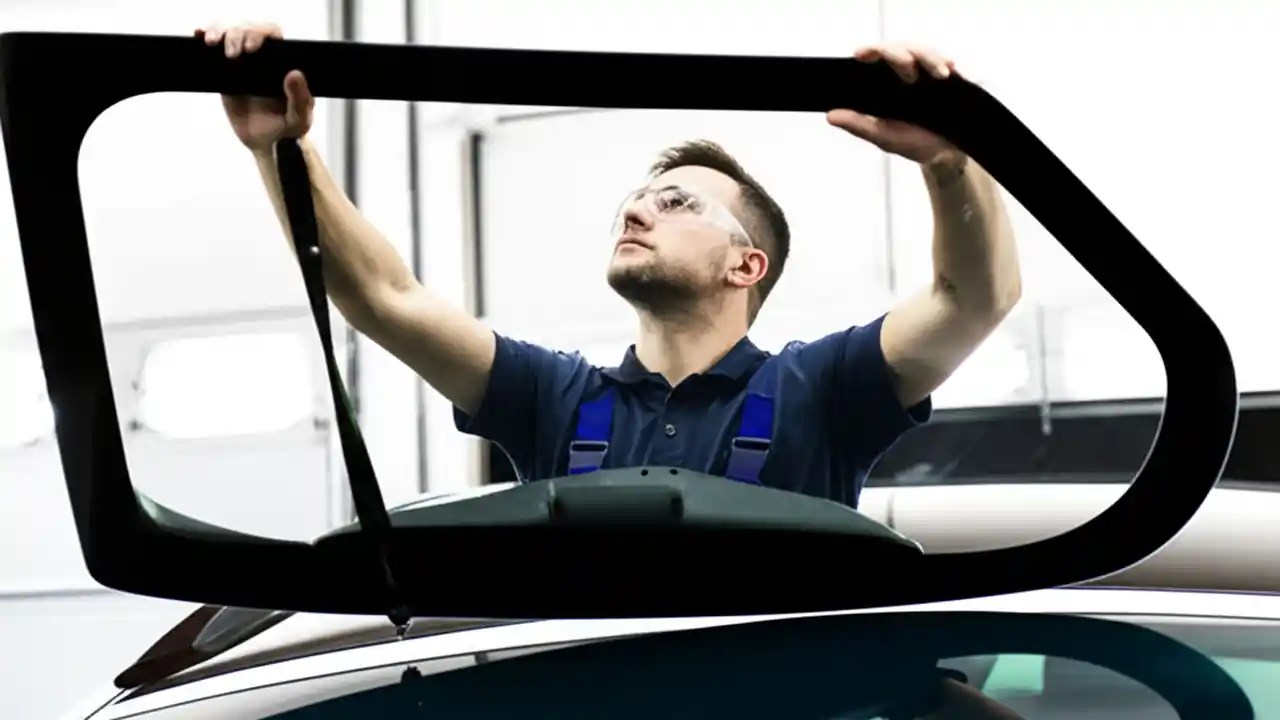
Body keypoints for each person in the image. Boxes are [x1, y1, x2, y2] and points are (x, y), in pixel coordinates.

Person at [200, 23, 1020, 511]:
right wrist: (283, 149)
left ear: (747, 264)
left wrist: (951, 157)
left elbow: (976, 297)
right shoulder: (552, 398)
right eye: (637, 199)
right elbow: (384, 296)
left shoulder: (827, 388)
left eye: (678, 204)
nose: (636, 211)